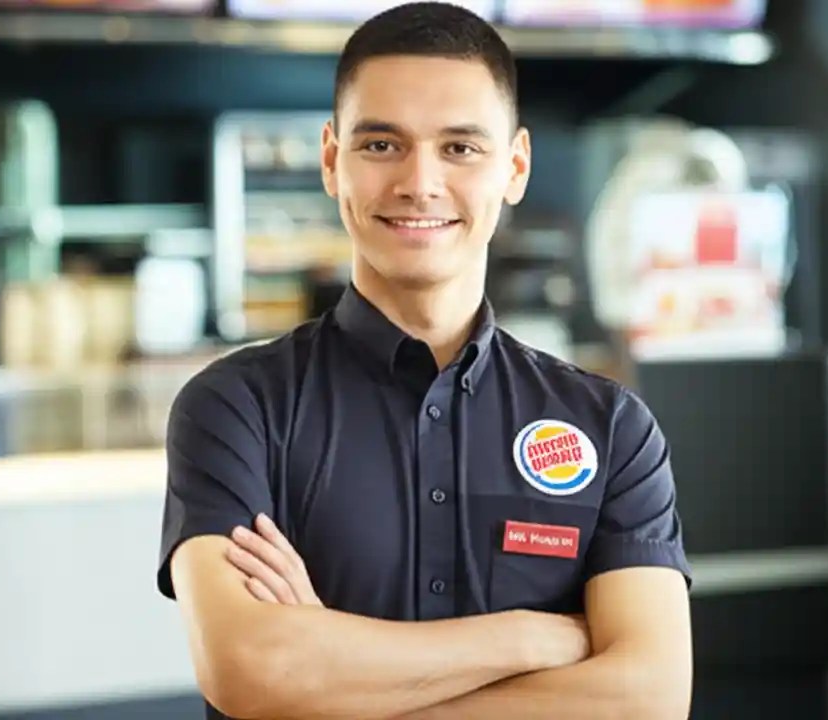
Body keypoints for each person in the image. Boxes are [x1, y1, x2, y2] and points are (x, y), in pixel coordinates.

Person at [156, 3, 693, 718]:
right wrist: (526, 639)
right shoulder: (236, 408)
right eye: (382, 145)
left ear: (515, 167)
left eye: (460, 148)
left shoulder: (612, 428)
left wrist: (334, 679)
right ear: (331, 161)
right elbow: (253, 668)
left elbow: (647, 698)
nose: (419, 182)